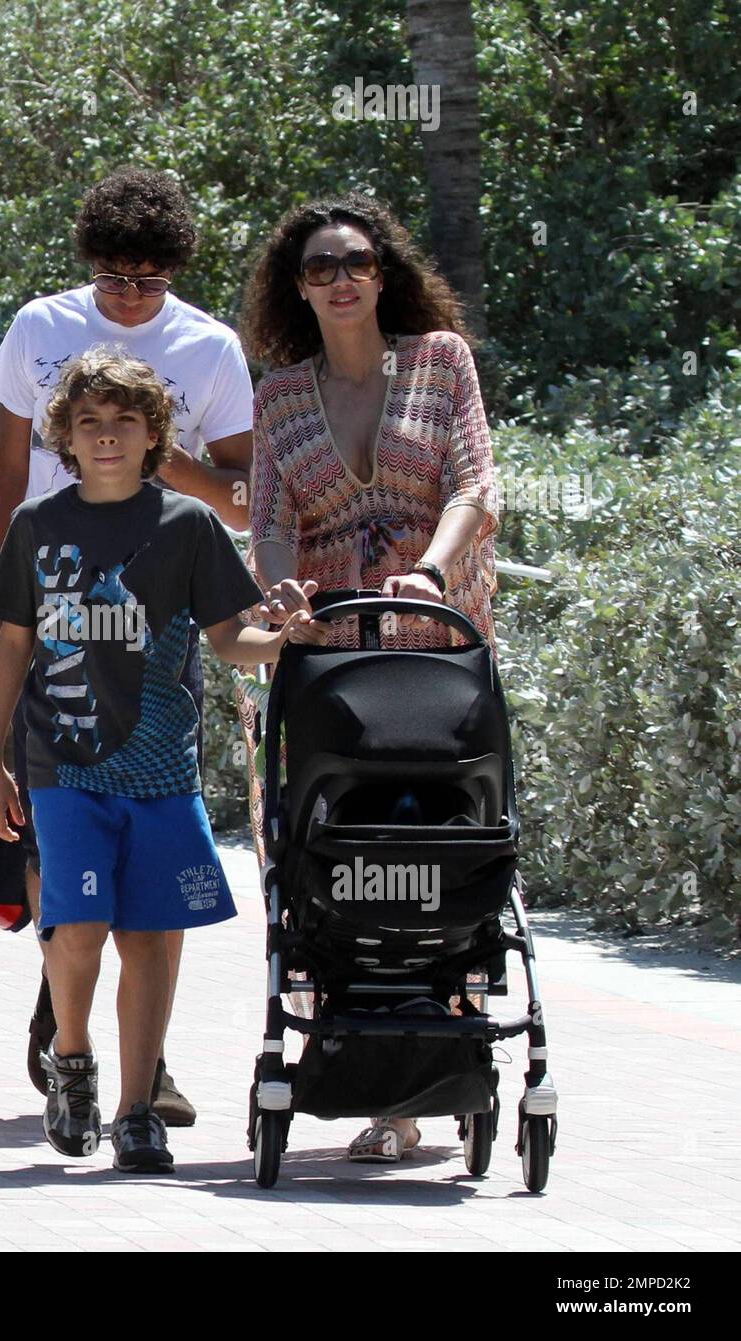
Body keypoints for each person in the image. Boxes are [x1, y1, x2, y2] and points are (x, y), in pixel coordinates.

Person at [0, 167, 256, 1126]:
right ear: (88, 258)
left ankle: (140, 1065)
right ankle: (67, 1022)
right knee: (61, 853)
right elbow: (7, 474)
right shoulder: (38, 327)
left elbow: (242, 499)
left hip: (157, 641)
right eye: (113, 275)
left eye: (150, 279)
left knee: (150, 894)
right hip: (48, 626)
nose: (130, 295)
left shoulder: (209, 347)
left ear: (177, 270)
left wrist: (157, 456)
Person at [0, 349, 310, 1172]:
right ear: (64, 436)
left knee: (149, 939)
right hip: (62, 766)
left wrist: (284, 639)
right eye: (89, 421)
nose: (107, 435)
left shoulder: (187, 525)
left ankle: (136, 1111)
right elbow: (13, 644)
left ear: (155, 432)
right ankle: (73, 1060)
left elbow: (231, 638)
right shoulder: (37, 524)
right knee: (78, 929)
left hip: (162, 770)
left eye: (125, 420)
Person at [243, 191, 499, 1163]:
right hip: (331, 658)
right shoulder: (280, 395)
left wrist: (431, 565)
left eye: (356, 262)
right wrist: (278, 591)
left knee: (437, 840)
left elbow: (476, 483)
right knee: (329, 849)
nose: (341, 279)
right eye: (321, 267)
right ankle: (361, 1057)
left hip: (436, 647)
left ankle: (434, 1053)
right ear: (298, 288)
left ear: (383, 274)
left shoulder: (439, 361)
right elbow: (269, 519)